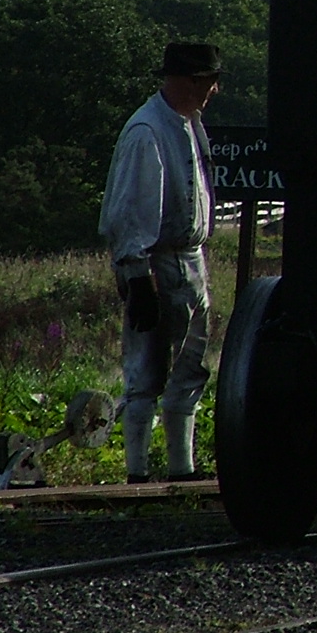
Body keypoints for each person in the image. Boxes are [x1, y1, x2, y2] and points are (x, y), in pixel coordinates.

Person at [98, 41, 221, 482]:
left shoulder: (188, 125)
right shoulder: (147, 131)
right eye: (209, 81)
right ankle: (137, 470)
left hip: (189, 260)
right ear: (191, 81)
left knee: (190, 365)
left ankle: (180, 467)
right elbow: (131, 211)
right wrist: (137, 278)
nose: (214, 90)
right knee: (146, 368)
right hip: (158, 261)